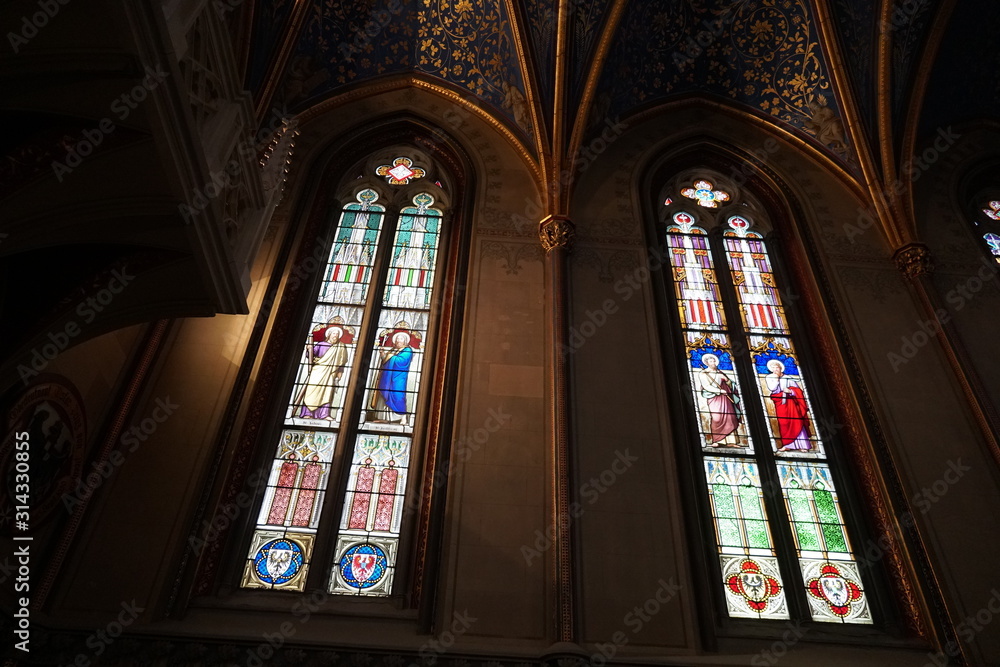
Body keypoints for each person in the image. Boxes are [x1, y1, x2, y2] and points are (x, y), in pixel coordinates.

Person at [295, 323, 349, 420]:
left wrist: (339, 374)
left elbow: (341, 363)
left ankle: (324, 414)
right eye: (334, 334)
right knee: (311, 391)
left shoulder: (340, 347)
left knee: (327, 393)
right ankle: (307, 413)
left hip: (330, 374)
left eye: (337, 334)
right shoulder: (320, 344)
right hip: (317, 371)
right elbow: (310, 355)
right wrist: (309, 349)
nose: (335, 336)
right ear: (329, 335)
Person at [764, 359, 812, 451]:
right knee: (784, 423)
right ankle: (787, 445)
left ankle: (803, 446)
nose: (775, 369)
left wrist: (791, 391)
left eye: (776, 367)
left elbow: (798, 391)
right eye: (773, 368)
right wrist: (776, 379)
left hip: (791, 404)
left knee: (796, 422)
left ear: (781, 368)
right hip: (780, 403)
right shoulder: (770, 377)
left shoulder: (788, 377)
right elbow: (772, 388)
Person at [369, 331, 414, 424]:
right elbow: (385, 361)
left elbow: (401, 362)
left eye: (400, 339)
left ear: (405, 341)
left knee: (398, 396)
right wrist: (383, 354)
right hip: (387, 377)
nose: (398, 341)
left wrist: (390, 356)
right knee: (384, 395)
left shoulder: (407, 350)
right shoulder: (393, 350)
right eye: (397, 339)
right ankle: (385, 418)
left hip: (398, 377)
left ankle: (403, 417)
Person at [698, 353, 742, 447]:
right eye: (711, 361)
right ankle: (717, 440)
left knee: (730, 417)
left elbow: (731, 384)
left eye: (714, 361)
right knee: (717, 418)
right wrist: (719, 390)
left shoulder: (720, 372)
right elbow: (706, 386)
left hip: (725, 398)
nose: (713, 363)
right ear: (706, 363)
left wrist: (727, 380)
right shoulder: (703, 373)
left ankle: (732, 441)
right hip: (714, 398)